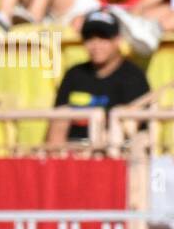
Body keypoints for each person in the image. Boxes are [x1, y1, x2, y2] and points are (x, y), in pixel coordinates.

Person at [47, 9, 148, 145]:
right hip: (72, 154)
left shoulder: (133, 77)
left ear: (117, 40)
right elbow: (58, 125)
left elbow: (131, 127)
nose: (96, 45)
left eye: (103, 37)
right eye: (89, 38)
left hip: (115, 154)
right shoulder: (74, 74)